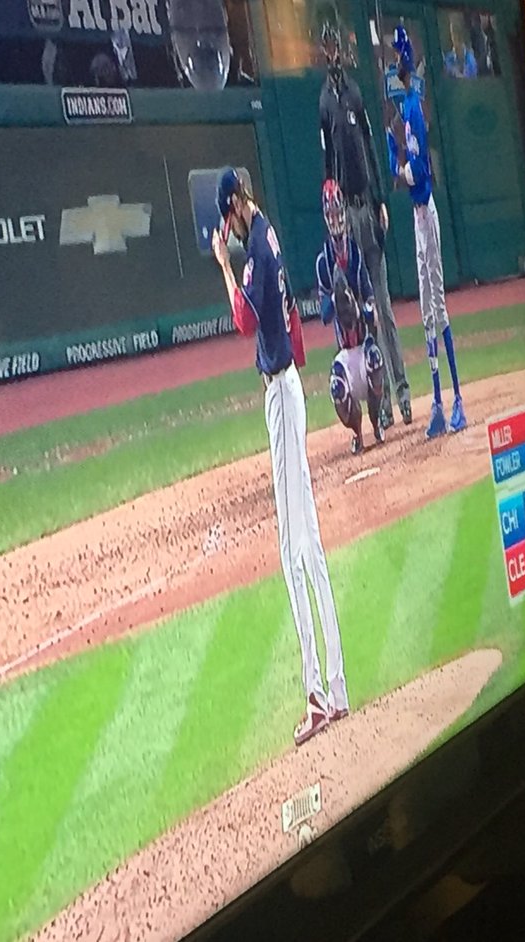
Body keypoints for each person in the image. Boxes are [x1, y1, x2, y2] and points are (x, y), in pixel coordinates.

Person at [210, 167, 349, 746]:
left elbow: (244, 320)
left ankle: (317, 695)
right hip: (289, 387)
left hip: (281, 395)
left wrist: (223, 265)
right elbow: (287, 322)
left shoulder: (255, 251)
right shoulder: (269, 235)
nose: (228, 226)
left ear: (234, 207)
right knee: (309, 543)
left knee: (292, 549)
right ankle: (336, 687)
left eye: (227, 216)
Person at [318, 23, 411, 429]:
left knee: (384, 307)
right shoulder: (324, 101)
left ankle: (402, 390)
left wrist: (380, 200)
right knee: (364, 313)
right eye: (328, 47)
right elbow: (327, 165)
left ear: (344, 49)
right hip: (346, 216)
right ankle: (380, 402)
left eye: (336, 45)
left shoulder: (355, 92)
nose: (333, 52)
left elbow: (371, 147)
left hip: (367, 207)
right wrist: (334, 222)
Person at [387, 25, 466, 439]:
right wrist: (393, 153)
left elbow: (417, 171)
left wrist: (399, 165)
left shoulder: (414, 110)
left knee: (438, 305)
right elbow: (401, 169)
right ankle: (436, 401)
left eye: (396, 60)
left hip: (427, 214)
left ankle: (457, 399)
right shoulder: (406, 112)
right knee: (424, 309)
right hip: (417, 218)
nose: (393, 68)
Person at [317, 179, 386, 455]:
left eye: (338, 213)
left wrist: (362, 310)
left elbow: (370, 299)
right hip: (345, 352)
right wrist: (337, 301)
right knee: (336, 386)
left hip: (362, 342)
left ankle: (376, 421)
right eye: (331, 215)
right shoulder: (323, 261)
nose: (336, 220)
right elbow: (324, 315)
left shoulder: (356, 253)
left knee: (375, 359)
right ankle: (357, 433)